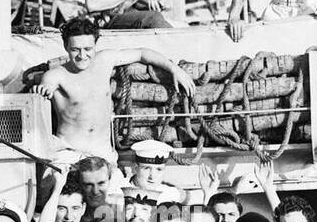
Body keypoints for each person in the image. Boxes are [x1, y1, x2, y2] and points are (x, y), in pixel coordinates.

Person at [33, 17, 195, 166]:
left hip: (103, 153)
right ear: (66, 47)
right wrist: (42, 90)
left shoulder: (105, 60)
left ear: (95, 45)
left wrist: (175, 70)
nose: (82, 56)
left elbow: (142, 53)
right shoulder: (56, 75)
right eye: (75, 49)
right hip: (69, 154)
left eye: (88, 48)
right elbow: (46, 87)